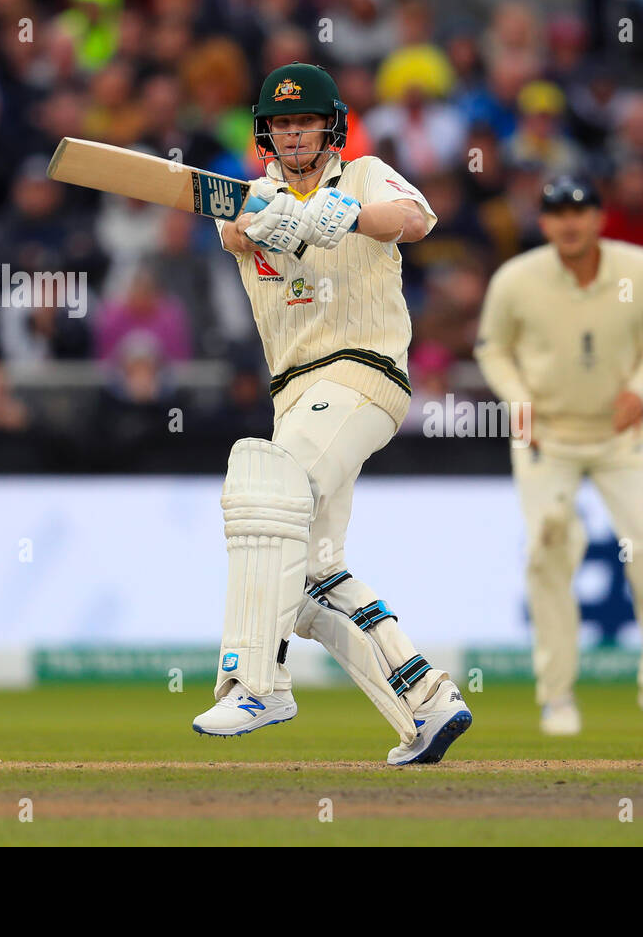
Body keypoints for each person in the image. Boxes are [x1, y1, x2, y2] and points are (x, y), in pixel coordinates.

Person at [192, 63, 472, 766]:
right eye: (281, 124)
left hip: (363, 371)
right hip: (296, 394)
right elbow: (234, 235)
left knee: (264, 489)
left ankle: (256, 682)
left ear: (330, 127)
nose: (292, 134)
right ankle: (428, 703)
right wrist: (271, 217)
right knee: (312, 573)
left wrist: (343, 217)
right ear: (266, 132)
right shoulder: (251, 200)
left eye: (304, 122)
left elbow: (412, 220)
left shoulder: (367, 175)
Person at [475, 175, 643, 736]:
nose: (568, 223)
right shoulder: (517, 279)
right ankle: (557, 698)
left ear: (600, 217)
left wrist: (641, 389)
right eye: (555, 213)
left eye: (580, 211)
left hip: (623, 435)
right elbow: (492, 348)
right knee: (549, 548)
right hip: (546, 435)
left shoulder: (639, 270)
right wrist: (519, 401)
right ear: (544, 223)